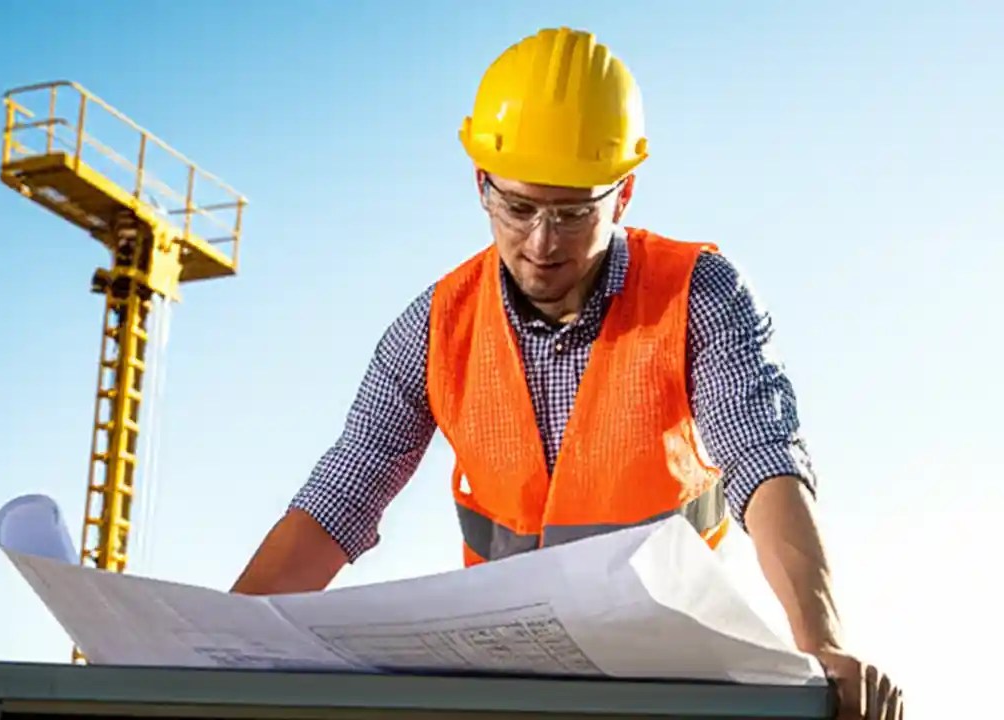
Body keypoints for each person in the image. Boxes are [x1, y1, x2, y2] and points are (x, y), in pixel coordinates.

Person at [230, 27, 903, 720]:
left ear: (624, 195)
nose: (543, 245)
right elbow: (342, 497)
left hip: (670, 667)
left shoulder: (697, 296)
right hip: (510, 680)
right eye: (518, 208)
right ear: (480, 184)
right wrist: (220, 642)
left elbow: (763, 461)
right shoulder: (433, 329)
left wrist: (821, 644)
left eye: (574, 214)